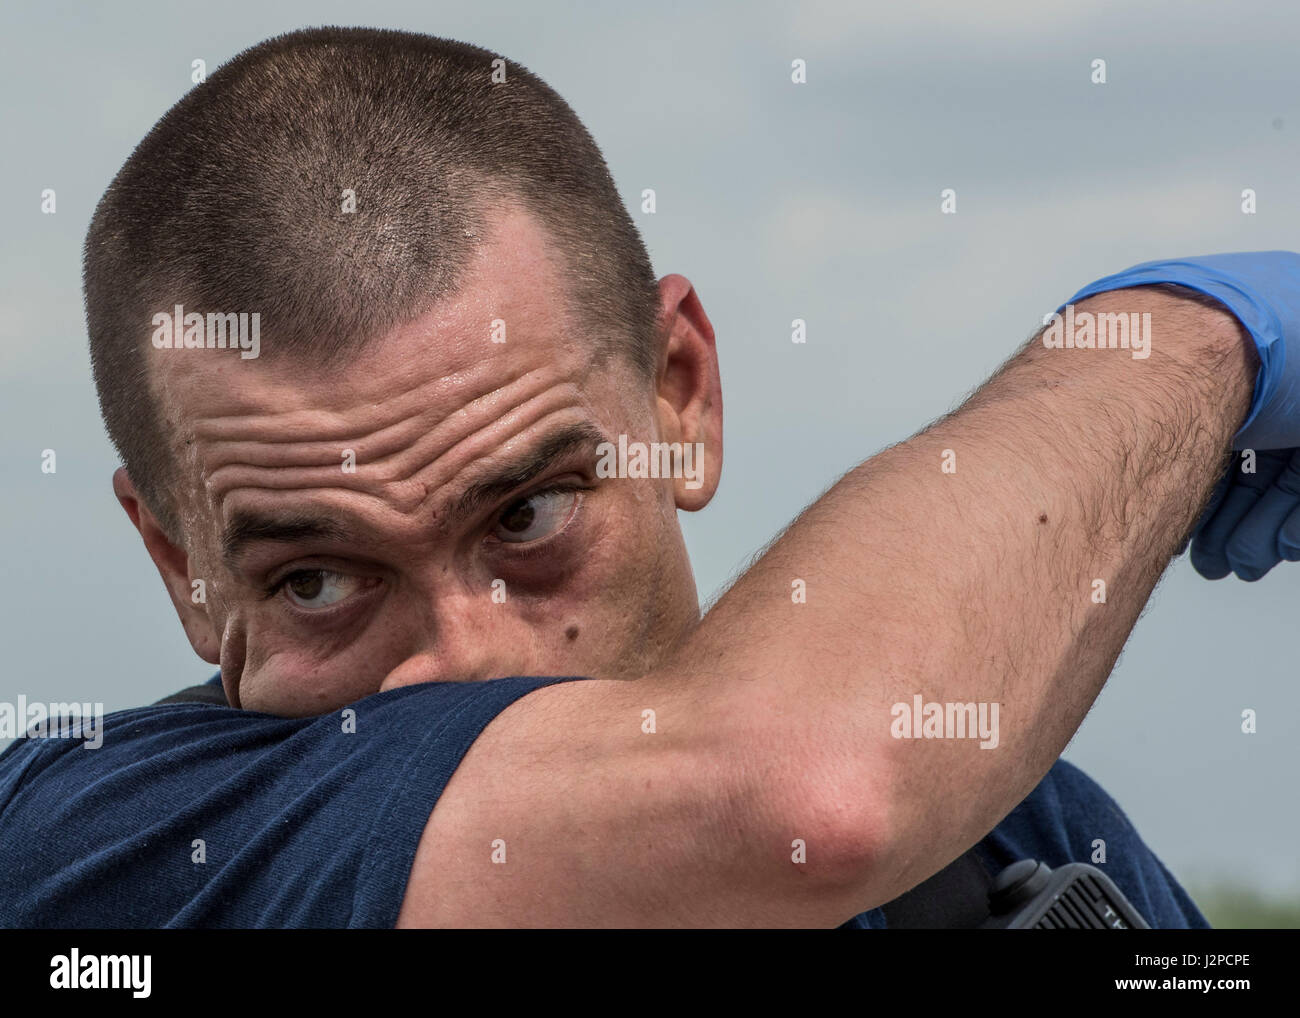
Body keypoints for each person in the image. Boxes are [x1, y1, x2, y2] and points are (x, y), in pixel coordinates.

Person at [2, 26, 1297, 928]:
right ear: (182, 567)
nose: (468, 668)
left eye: (529, 513)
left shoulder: (1013, 847)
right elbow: (809, 792)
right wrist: (1186, 334)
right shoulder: (103, 849)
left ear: (681, 391)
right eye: (319, 579)